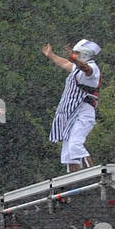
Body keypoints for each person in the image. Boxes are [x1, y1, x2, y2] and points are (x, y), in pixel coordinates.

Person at [43, 39, 102, 172]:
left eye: (76, 53)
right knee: (68, 153)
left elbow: (85, 68)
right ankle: (74, 183)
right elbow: (64, 63)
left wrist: (74, 59)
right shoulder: (76, 68)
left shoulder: (93, 70)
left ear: (84, 54)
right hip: (71, 113)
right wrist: (51, 55)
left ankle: (94, 175)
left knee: (76, 145)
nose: (73, 55)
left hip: (84, 112)